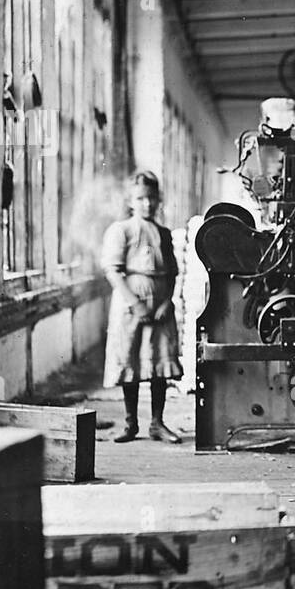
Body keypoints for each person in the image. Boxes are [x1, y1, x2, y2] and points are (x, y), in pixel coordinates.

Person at [102, 170, 184, 444]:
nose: (147, 204)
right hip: (130, 307)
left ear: (158, 200)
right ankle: (130, 423)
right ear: (130, 201)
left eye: (151, 198)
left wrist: (166, 302)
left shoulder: (163, 233)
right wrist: (134, 302)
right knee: (131, 361)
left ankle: (157, 423)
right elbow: (113, 272)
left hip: (160, 307)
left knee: (159, 363)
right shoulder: (121, 230)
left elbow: (172, 273)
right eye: (140, 198)